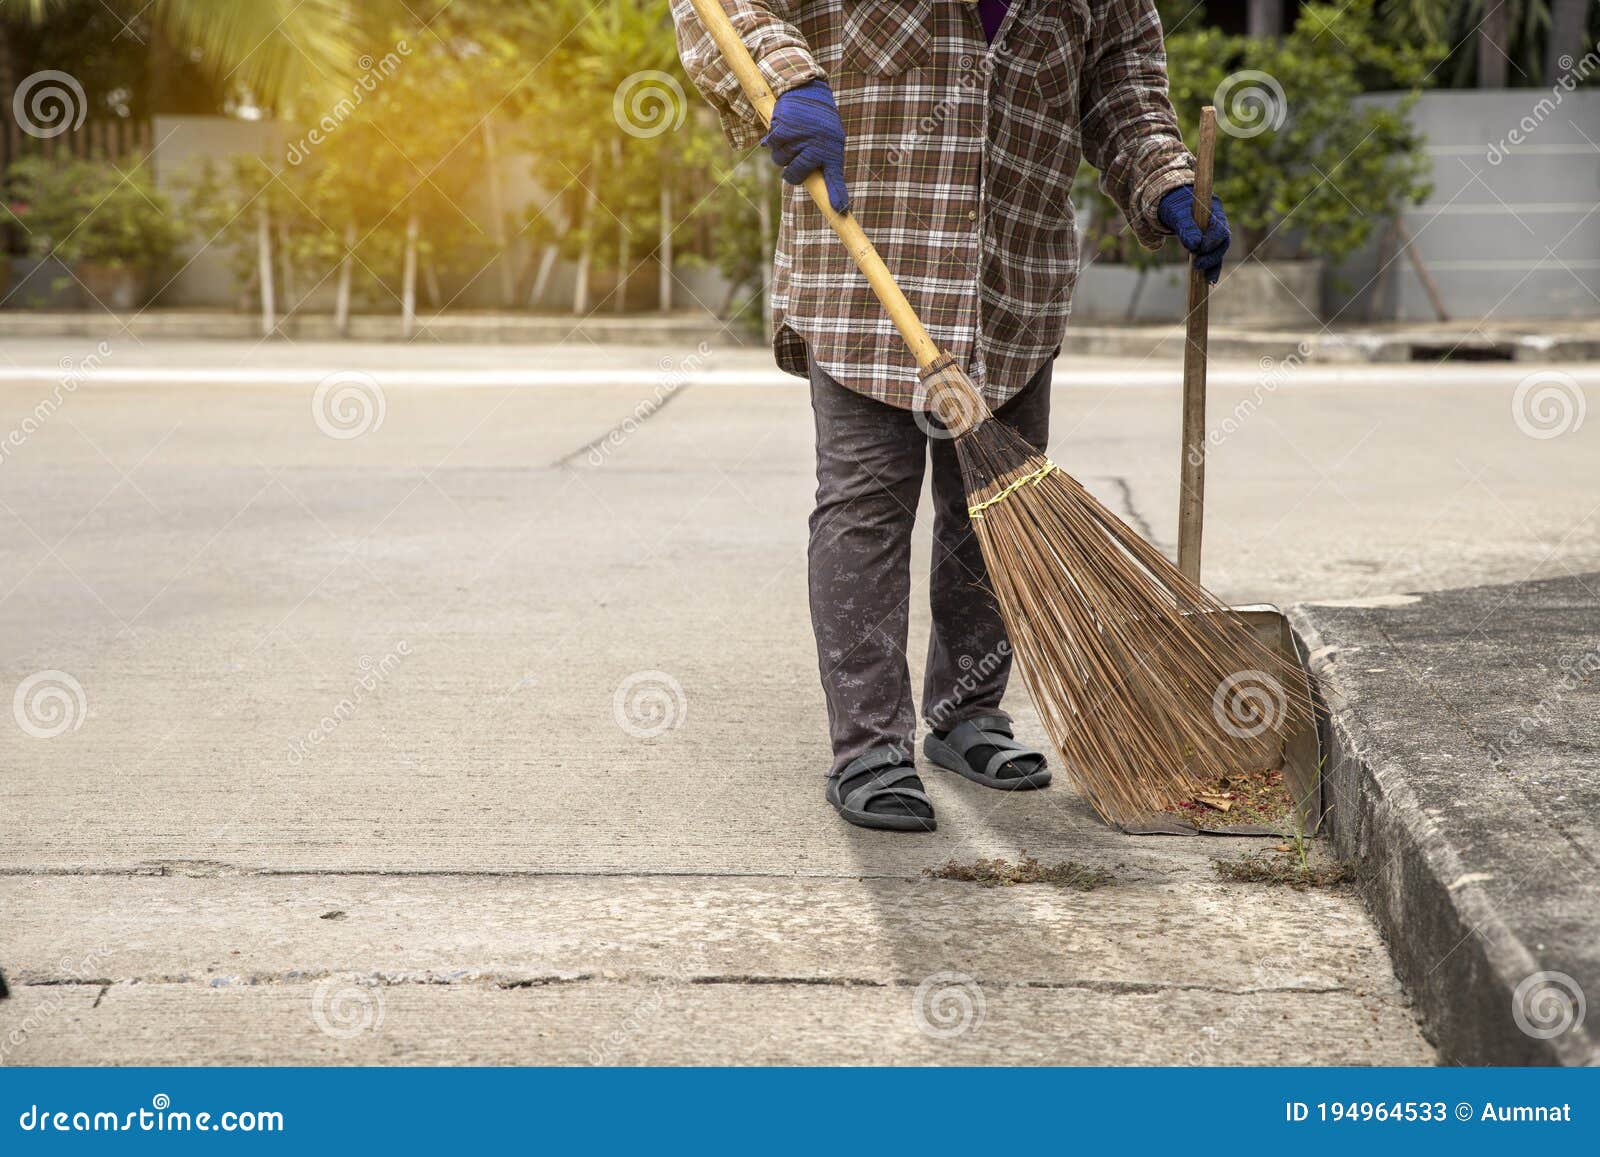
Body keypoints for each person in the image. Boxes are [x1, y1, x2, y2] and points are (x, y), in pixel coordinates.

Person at [670, 0, 1230, 833]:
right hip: (867, 269)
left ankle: (968, 714)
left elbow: (1122, 81)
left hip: (1013, 282)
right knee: (864, 511)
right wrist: (787, 83)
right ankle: (869, 744)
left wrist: (1166, 182)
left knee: (992, 517)